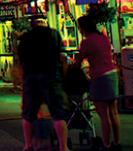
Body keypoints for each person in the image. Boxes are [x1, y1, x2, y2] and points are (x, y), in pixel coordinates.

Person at [17, 17, 70, 151]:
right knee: (58, 114)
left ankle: (28, 145)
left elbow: (22, 63)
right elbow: (62, 57)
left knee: (28, 114)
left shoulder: (25, 38)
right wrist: (64, 77)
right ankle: (63, 147)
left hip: (30, 76)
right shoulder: (53, 34)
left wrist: (23, 81)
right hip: (50, 75)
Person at [73, 16, 121, 151]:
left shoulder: (87, 42)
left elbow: (78, 61)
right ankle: (117, 143)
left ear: (83, 28)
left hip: (99, 77)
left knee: (104, 115)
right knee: (114, 113)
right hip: (112, 74)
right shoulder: (104, 38)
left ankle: (106, 145)